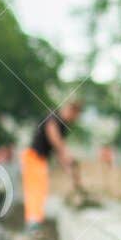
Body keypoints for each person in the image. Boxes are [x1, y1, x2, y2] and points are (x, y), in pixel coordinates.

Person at [22, 98, 83, 229]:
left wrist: (68, 167)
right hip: (33, 157)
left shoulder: (63, 126)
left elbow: (58, 150)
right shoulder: (54, 116)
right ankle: (33, 221)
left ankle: (36, 220)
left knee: (41, 189)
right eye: (75, 116)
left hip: (41, 159)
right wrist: (67, 155)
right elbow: (55, 139)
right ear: (71, 110)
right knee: (35, 189)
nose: (74, 119)